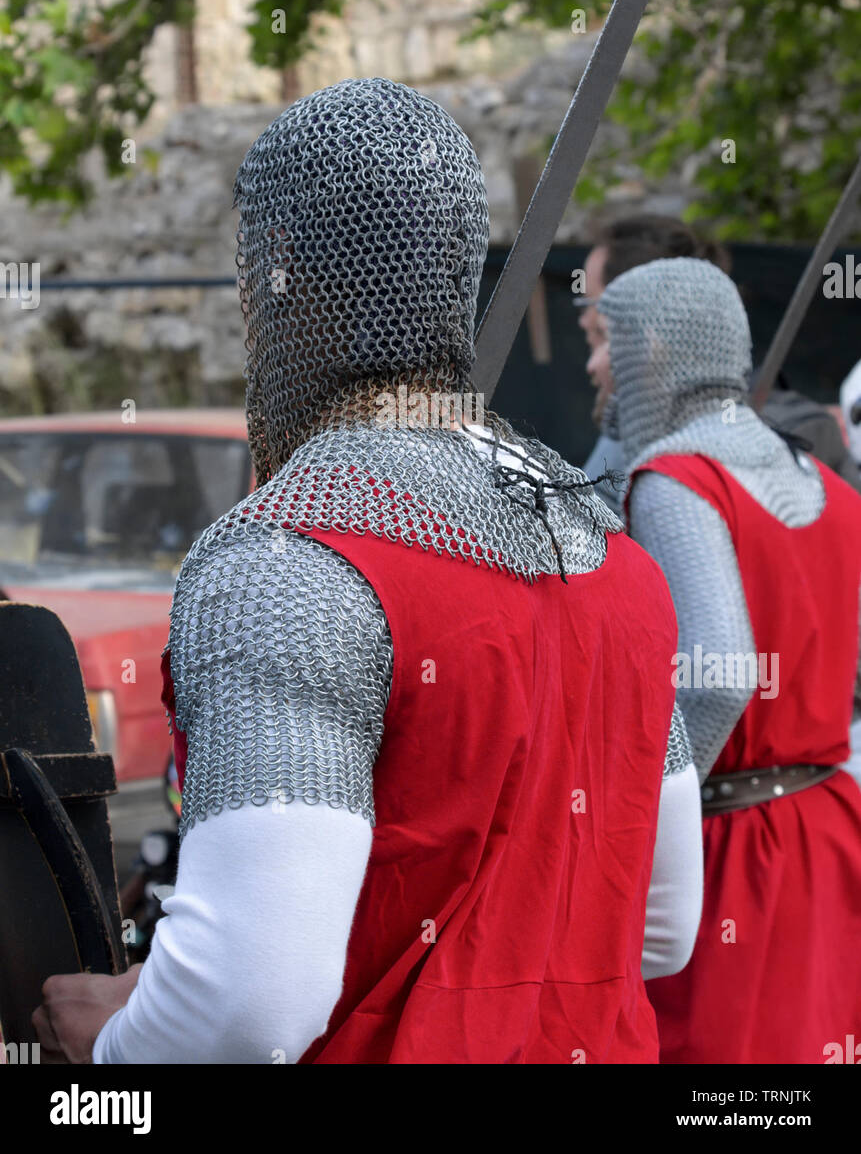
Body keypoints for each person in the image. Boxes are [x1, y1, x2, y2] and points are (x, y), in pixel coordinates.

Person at [33, 78, 701, 1065]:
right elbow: (666, 923)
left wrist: (125, 1040)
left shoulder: (286, 561)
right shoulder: (606, 545)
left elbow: (254, 1004)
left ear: (280, 279)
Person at [599, 256, 861, 1064]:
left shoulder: (677, 482)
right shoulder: (831, 488)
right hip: (824, 825)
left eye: (603, 342)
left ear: (650, 349)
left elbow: (717, 681)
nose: (593, 366)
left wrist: (635, 820)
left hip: (729, 848)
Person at [578, 215, 861, 509]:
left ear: (649, 326)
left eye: (592, 307)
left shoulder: (675, 465)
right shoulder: (637, 430)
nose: (584, 321)